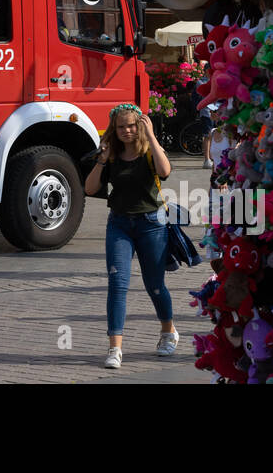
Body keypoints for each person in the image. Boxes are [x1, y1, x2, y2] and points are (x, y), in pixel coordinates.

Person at [84, 102, 176, 368]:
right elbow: (90, 189)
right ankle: (115, 348)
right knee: (117, 284)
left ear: (141, 125)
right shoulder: (111, 156)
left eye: (132, 125)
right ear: (114, 128)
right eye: (121, 126)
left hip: (151, 224)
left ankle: (168, 331)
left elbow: (165, 171)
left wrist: (153, 137)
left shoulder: (149, 152)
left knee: (155, 285)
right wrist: (102, 159)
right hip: (119, 225)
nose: (127, 131)